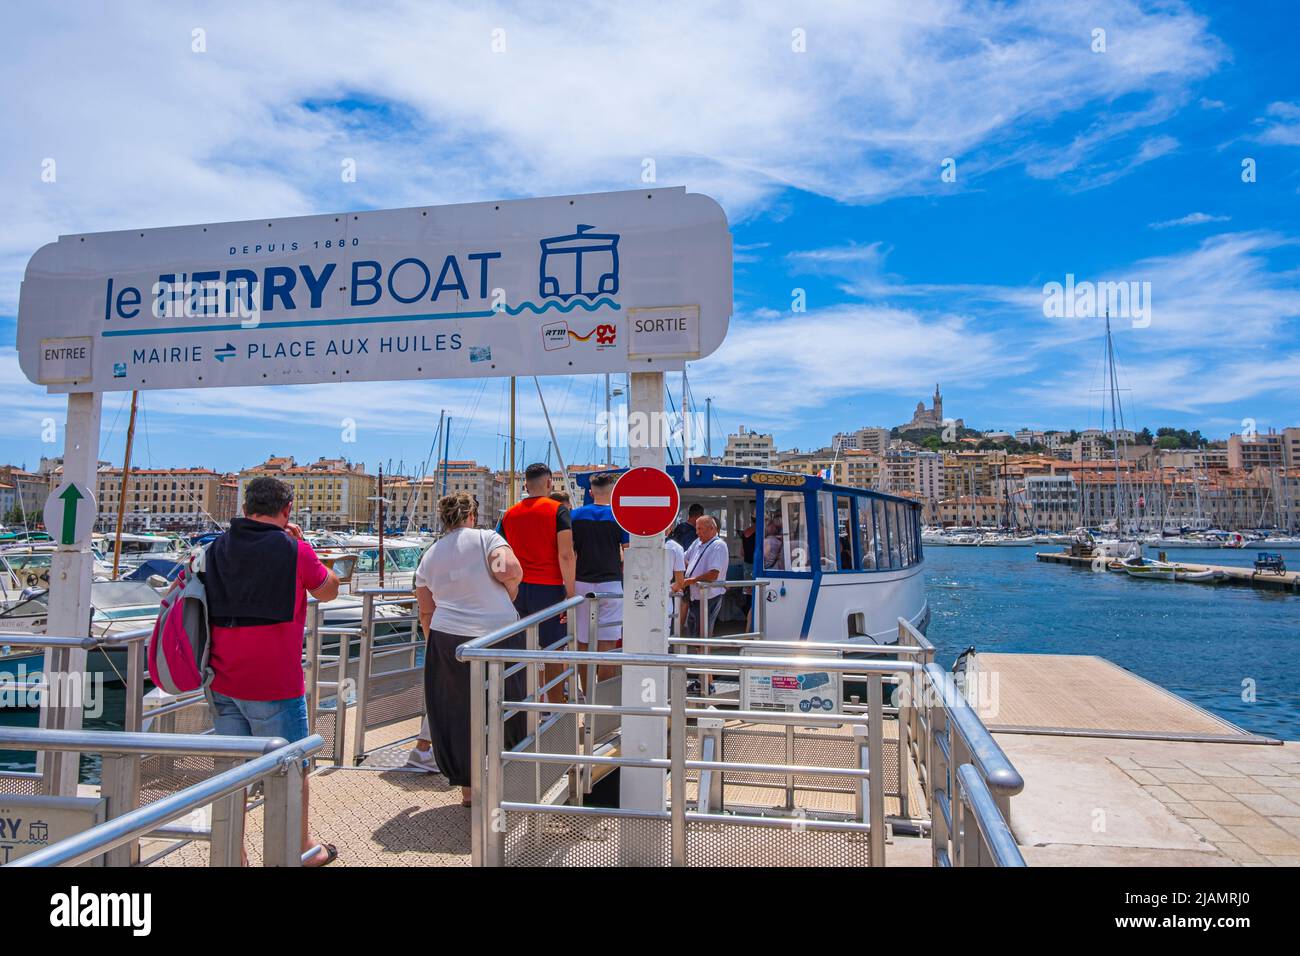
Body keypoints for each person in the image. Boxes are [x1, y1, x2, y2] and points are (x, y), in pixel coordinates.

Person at [204, 476, 340, 867]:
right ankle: (297, 851)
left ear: (245, 509)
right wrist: (302, 543)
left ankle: (233, 855)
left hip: (222, 680)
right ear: (287, 511)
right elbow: (328, 590)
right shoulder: (293, 549)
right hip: (273, 682)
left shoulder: (216, 548)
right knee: (290, 770)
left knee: (232, 775)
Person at [414, 493, 523, 806]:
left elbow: (426, 611)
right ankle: (509, 781)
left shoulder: (431, 554)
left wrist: (434, 642)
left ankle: (469, 790)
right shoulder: (487, 538)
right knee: (507, 704)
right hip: (497, 634)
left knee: (459, 713)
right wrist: (512, 589)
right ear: (472, 516)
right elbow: (507, 568)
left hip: (449, 639)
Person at [501, 463, 576, 701]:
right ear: (549, 483)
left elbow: (501, 554)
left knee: (521, 651)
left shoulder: (509, 514)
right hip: (550, 590)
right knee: (553, 650)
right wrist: (571, 592)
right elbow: (566, 554)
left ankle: (523, 708)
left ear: (525, 484)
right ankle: (556, 711)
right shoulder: (558, 511)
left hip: (517, 591)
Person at [571, 472, 627, 684]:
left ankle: (587, 697)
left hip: (581, 583)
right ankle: (604, 699)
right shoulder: (620, 517)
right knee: (608, 644)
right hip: (611, 584)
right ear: (612, 491)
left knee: (583, 642)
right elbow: (628, 553)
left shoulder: (575, 516)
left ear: (591, 491)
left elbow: (569, 553)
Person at [682, 515, 729, 638]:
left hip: (708, 597)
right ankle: (699, 654)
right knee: (694, 632)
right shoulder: (698, 542)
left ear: (712, 529)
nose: (697, 533)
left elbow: (713, 574)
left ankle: (703, 654)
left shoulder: (718, 545)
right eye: (696, 529)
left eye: (700, 529)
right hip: (695, 595)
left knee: (702, 634)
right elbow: (684, 558)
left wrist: (690, 580)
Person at [665, 531, 687, 637]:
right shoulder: (675, 547)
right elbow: (680, 582)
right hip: (664, 596)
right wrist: (672, 588)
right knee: (662, 640)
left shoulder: (636, 545)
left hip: (639, 596)